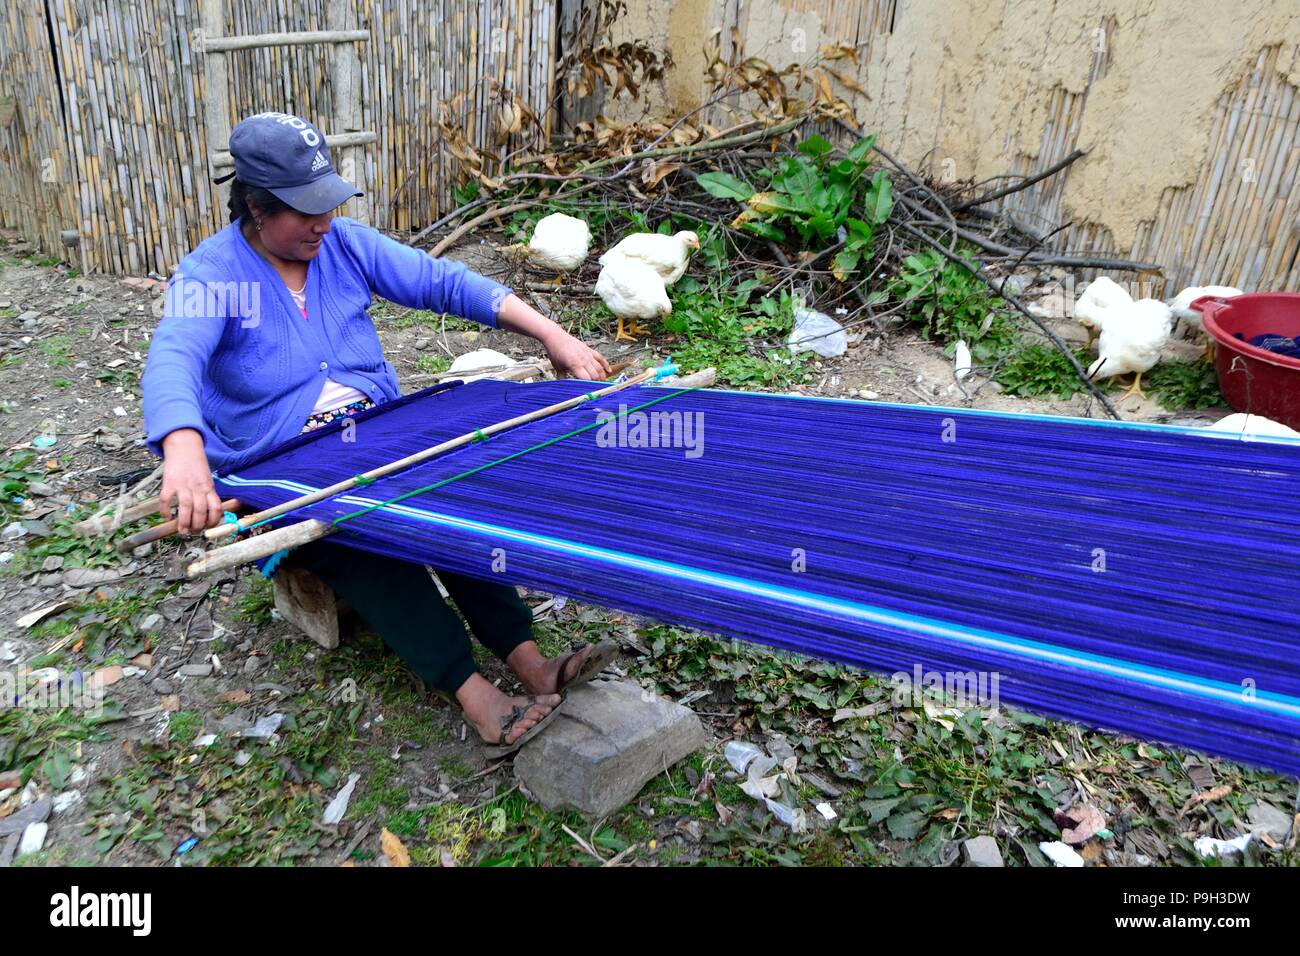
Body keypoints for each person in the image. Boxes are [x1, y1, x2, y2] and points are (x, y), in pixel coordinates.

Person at [142, 111, 615, 755]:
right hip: (287, 466)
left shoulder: (343, 246)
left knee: (453, 498)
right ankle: (475, 693)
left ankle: (529, 661)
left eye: (328, 205)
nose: (322, 223)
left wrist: (552, 334)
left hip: (379, 432)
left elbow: (442, 282)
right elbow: (174, 356)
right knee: (365, 534)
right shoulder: (211, 277)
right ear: (254, 207)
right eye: (303, 212)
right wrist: (184, 449)